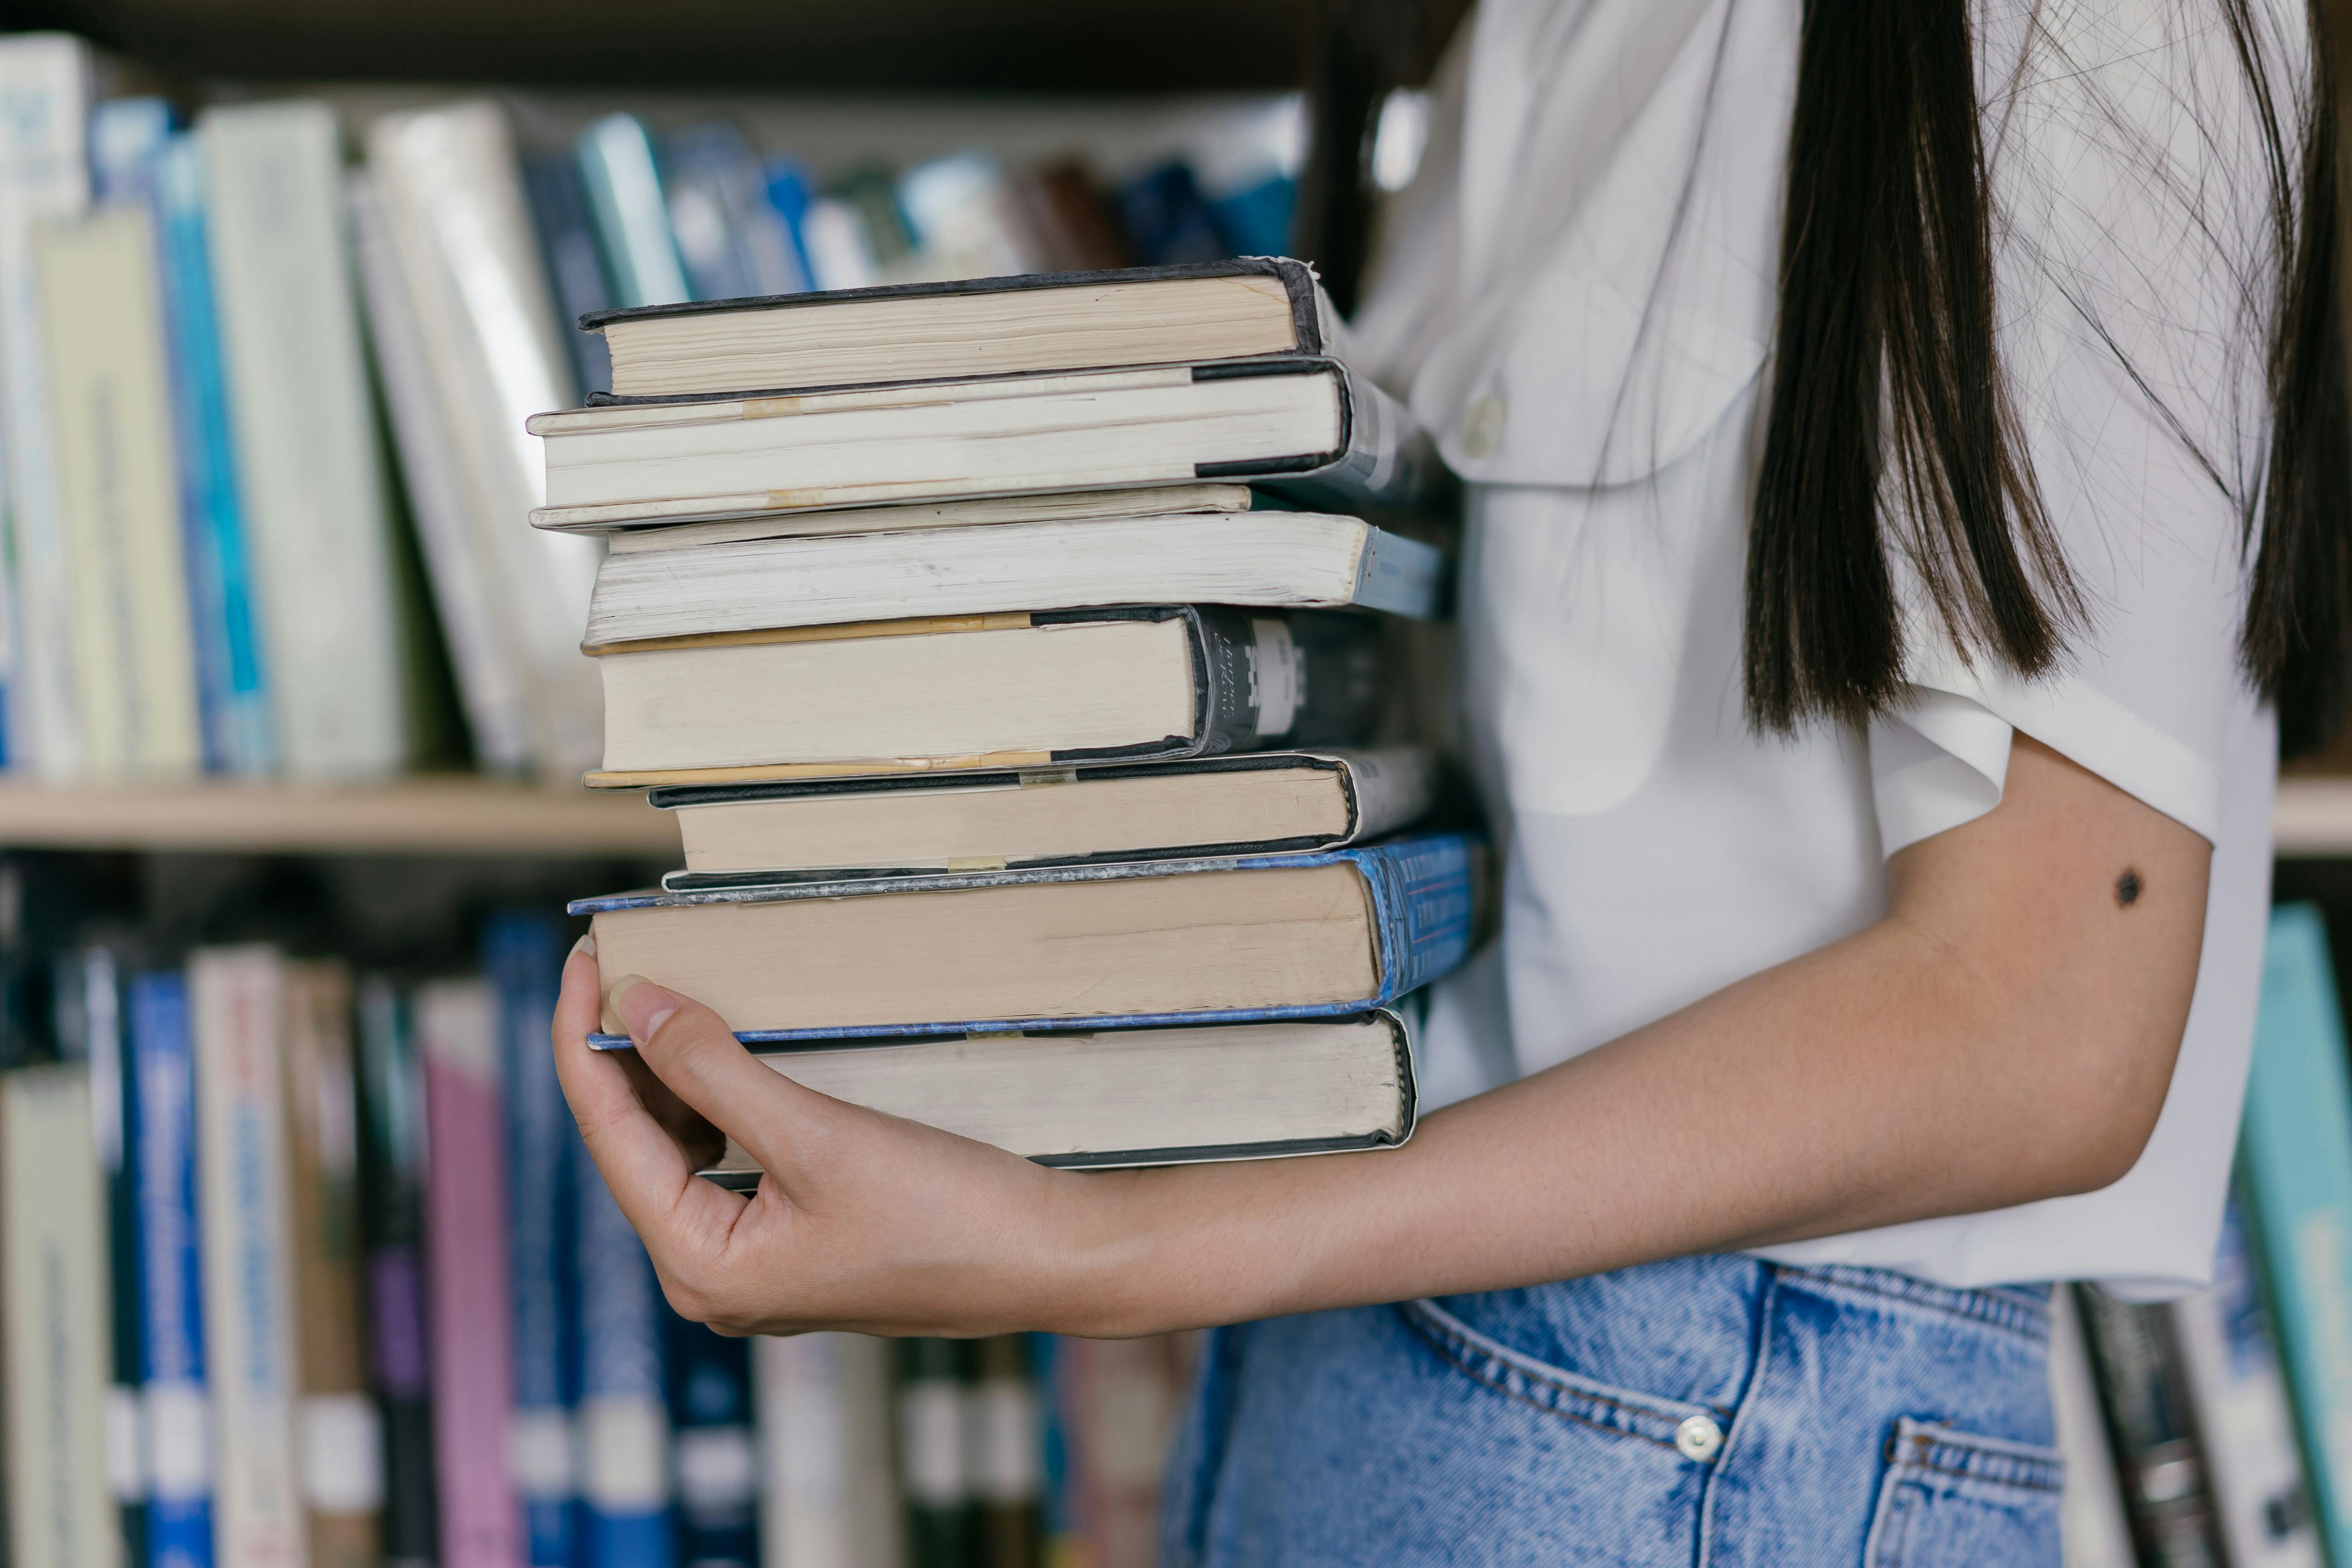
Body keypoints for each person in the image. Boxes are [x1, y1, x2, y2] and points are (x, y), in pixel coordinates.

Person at [550, 0, 2348, 1559]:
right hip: (1357, 1366)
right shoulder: (1516, 32)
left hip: (1697, 1429)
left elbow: (2039, 1018)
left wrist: (1099, 1246)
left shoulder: (2068, 29)